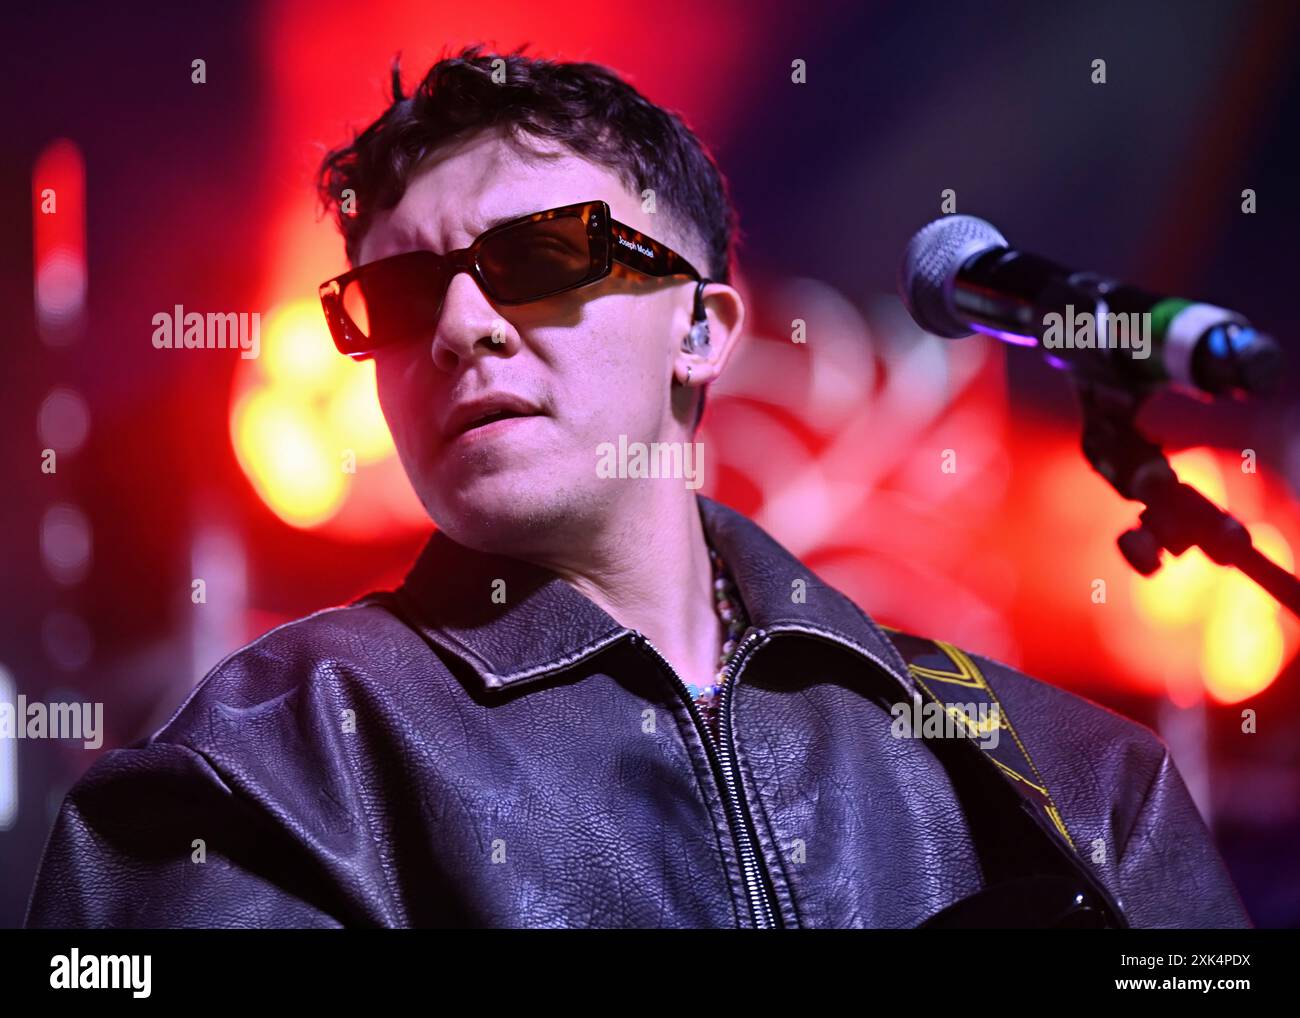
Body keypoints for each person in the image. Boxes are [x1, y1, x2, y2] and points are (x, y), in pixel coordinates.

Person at [25, 46, 1251, 929]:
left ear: (704, 328)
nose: (460, 325)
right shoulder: (265, 768)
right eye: (399, 295)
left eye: (538, 257)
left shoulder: (1071, 777)